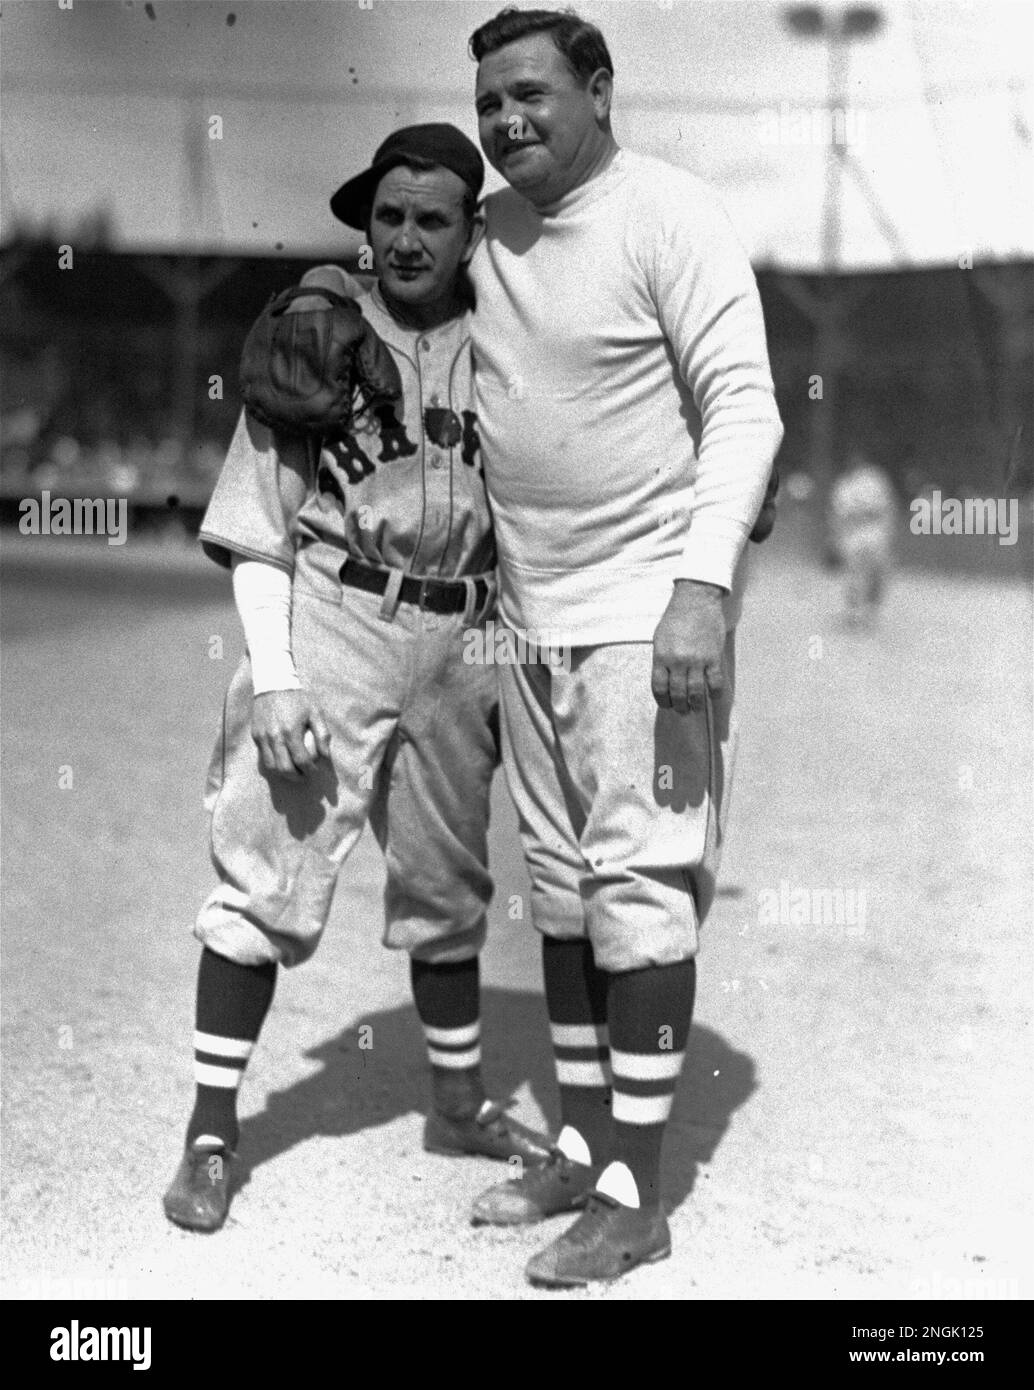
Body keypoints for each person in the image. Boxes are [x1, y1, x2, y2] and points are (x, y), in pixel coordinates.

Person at [163, 123, 549, 1235]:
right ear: (365, 225)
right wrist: (275, 676)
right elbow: (253, 527)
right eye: (388, 216)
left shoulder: (509, 336)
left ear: (472, 229)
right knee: (265, 874)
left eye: (433, 217)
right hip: (335, 615)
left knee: (446, 882)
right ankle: (210, 1130)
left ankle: (461, 1100)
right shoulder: (320, 329)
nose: (407, 237)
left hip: (463, 633)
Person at [463, 8, 784, 1286]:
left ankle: (635, 1198)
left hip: (646, 617)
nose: (506, 123)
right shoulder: (490, 234)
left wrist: (699, 592)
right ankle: (584, 1144)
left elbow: (745, 407)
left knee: (641, 885)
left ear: (598, 89)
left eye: (531, 94)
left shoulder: (670, 214)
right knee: (558, 885)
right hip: (523, 621)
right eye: (489, 103)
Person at [828, 451, 896, 625]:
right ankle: (853, 611)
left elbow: (887, 506)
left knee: (877, 571)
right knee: (853, 573)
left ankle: (871, 611)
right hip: (853, 530)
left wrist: (888, 530)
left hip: (874, 528)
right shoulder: (843, 484)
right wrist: (836, 537)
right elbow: (838, 514)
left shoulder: (874, 478)